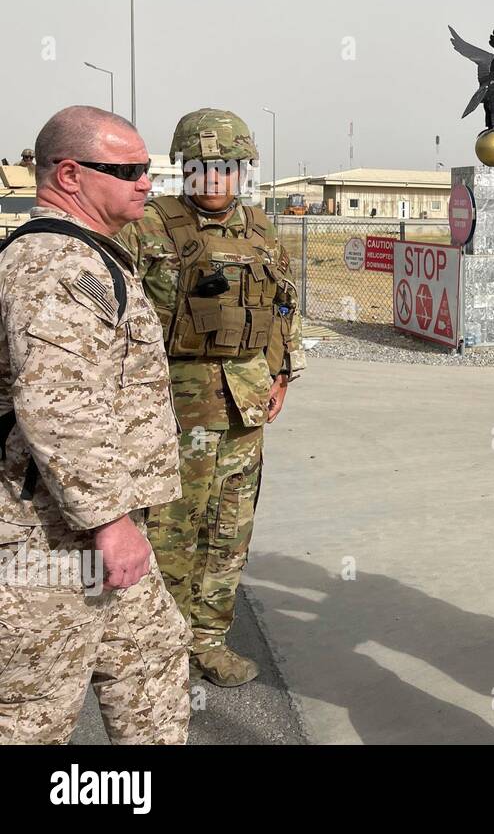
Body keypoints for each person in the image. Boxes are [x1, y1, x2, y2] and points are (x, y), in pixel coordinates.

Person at [0, 105, 188, 744]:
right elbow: (59, 404)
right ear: (71, 175)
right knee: (34, 710)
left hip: (92, 527)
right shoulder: (57, 263)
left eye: (148, 168)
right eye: (129, 169)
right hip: (48, 537)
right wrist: (110, 520)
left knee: (152, 666)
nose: (146, 182)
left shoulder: (90, 254)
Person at [116, 108, 304, 688]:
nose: (215, 179)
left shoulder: (261, 229)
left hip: (245, 404)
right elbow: (112, 316)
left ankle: (209, 639)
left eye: (227, 167)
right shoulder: (145, 227)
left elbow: (282, 304)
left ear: (242, 170)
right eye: (203, 167)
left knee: (229, 528)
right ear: (185, 168)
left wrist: (282, 372)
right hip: (173, 406)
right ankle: (160, 643)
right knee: (171, 527)